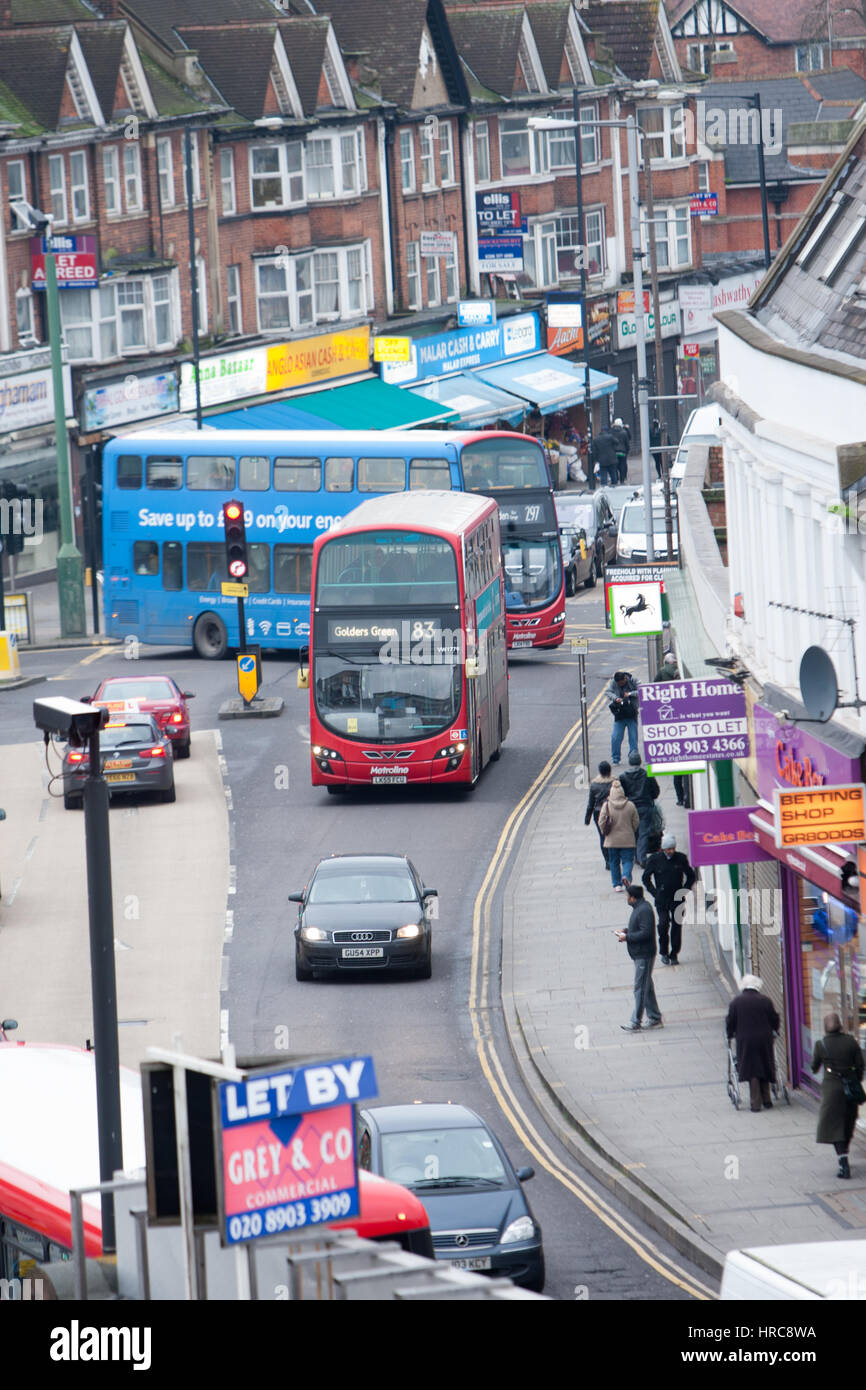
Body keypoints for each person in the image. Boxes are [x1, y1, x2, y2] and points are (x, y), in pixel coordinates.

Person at [811, 1012, 865, 1179]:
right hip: (850, 1088)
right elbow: (860, 1065)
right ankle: (846, 1149)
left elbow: (814, 1067)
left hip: (831, 1091)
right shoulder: (851, 1042)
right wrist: (856, 1079)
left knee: (834, 1125)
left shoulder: (821, 1045)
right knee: (849, 1120)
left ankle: (843, 1162)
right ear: (840, 1025)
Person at [725, 976, 780, 1112]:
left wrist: (730, 1034)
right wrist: (775, 1030)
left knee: (752, 1068)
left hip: (745, 1039)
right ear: (757, 986)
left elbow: (730, 1021)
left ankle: (755, 1103)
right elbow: (774, 1018)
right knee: (764, 1064)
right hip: (764, 1038)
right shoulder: (765, 1001)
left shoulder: (736, 1002)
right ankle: (767, 1100)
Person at [642, 832, 697, 965]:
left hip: (677, 899)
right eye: (668, 849)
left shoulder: (681, 858)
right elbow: (646, 878)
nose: (671, 851)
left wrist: (685, 890)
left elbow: (691, 876)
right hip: (662, 899)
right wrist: (655, 892)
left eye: (673, 848)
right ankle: (664, 952)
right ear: (663, 848)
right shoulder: (654, 859)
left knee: (677, 926)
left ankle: (674, 954)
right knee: (663, 924)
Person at [616, 883, 663, 1031]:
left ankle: (635, 1021)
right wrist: (626, 931)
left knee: (640, 988)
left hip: (644, 954)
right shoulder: (640, 908)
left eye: (627, 896)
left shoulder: (644, 910)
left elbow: (646, 933)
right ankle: (654, 1017)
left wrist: (627, 937)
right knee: (646, 986)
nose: (626, 898)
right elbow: (641, 928)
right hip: (640, 954)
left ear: (633, 898)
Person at [618, 750, 660, 867]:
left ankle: (636, 856)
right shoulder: (647, 774)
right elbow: (656, 791)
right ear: (640, 761)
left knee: (633, 832)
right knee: (644, 833)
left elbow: (621, 794)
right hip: (645, 806)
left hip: (630, 808)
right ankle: (641, 858)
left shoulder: (623, 777)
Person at [598, 778, 639, 891]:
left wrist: (604, 833)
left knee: (614, 862)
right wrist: (632, 831)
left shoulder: (607, 805)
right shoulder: (630, 805)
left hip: (612, 840)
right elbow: (636, 822)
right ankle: (626, 876)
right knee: (627, 861)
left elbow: (601, 822)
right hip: (628, 839)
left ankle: (617, 884)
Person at [605, 670, 639, 765]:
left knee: (633, 737)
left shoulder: (633, 680)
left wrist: (630, 694)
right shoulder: (614, 682)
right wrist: (615, 698)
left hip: (632, 713)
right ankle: (615, 759)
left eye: (621, 683)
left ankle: (633, 758)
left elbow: (642, 690)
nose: (620, 685)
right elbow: (607, 692)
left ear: (625, 679)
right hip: (620, 713)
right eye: (618, 683)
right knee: (615, 737)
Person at [584, 760, 614, 869]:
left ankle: (608, 861)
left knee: (603, 836)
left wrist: (587, 818)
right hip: (612, 811)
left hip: (598, 813)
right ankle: (613, 858)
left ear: (600, 772)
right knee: (613, 835)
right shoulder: (615, 782)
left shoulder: (594, 785)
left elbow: (590, 803)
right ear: (610, 771)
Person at [611, 417, 631, 484]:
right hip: (622, 452)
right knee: (622, 465)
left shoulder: (611, 432)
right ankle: (622, 480)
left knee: (615, 466)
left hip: (614, 452)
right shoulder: (624, 432)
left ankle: (615, 479)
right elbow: (627, 442)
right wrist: (627, 450)